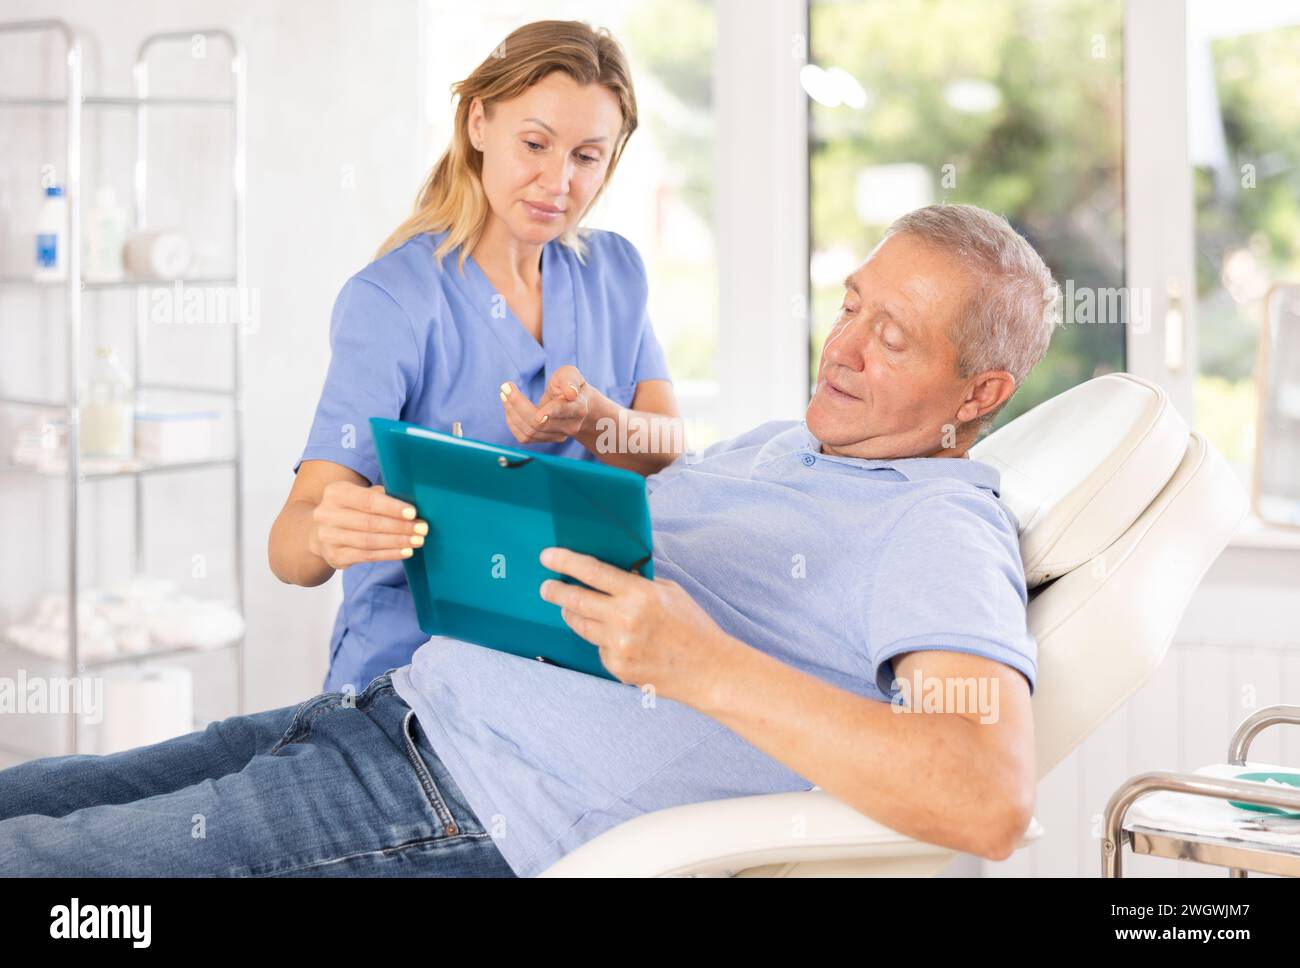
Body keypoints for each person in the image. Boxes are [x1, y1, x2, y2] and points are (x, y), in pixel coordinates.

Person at [0, 204, 1058, 878]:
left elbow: (985, 794)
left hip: (461, 806)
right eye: (851, 306)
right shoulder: (798, 444)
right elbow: (669, 471)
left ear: (981, 392)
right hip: (394, 714)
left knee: (44, 864)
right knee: (36, 795)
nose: (843, 349)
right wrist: (595, 431)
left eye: (893, 337)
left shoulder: (938, 522)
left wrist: (699, 663)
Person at [268, 20, 685, 695]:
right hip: (410, 685)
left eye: (587, 156)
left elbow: (667, 447)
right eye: (535, 144)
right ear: (479, 123)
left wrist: (591, 420)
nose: (558, 181)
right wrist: (326, 534)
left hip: (573, 667)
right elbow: (290, 545)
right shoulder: (395, 302)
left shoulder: (615, 272)